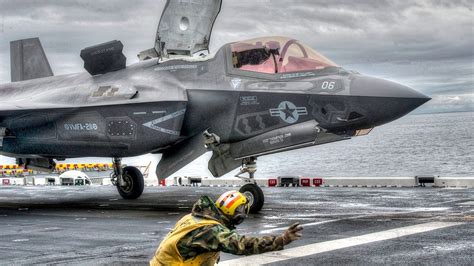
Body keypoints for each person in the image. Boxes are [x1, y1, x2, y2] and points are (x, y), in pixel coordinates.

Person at [150, 190, 303, 265]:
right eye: (240, 211)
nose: (242, 215)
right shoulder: (211, 230)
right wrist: (281, 240)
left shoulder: (194, 218)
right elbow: (241, 245)